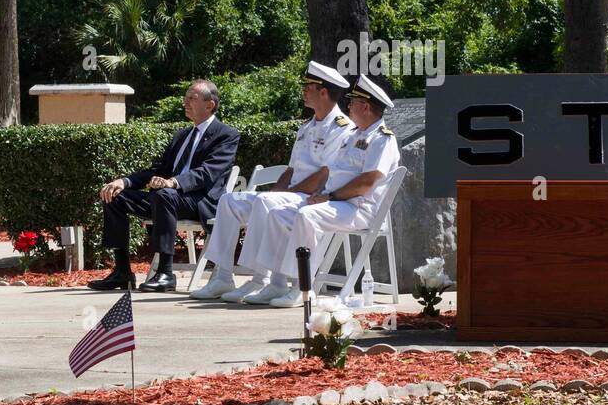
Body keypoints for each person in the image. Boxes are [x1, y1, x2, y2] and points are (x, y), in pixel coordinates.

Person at [190, 61, 351, 302]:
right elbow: (291, 169)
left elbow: (324, 174)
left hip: (312, 196)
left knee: (266, 202)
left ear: (324, 92)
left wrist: (278, 195)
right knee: (229, 202)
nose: (304, 90)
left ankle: (261, 279)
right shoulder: (306, 127)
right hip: (290, 194)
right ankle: (222, 277)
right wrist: (275, 192)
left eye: (308, 86)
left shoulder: (341, 128)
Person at [255, 73, 400, 308]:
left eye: (352, 102)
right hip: (335, 202)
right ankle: (276, 282)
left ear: (365, 106)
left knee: (305, 216)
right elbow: (334, 171)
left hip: (358, 208)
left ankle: (302, 286)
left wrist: (328, 196)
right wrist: (320, 194)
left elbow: (367, 182)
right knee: (278, 214)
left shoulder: (382, 139)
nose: (348, 106)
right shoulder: (353, 135)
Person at [88, 81, 239, 292]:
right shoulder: (182, 136)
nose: (185, 102)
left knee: (164, 194)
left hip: (200, 200)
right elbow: (157, 170)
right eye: (185, 97)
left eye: (192, 98)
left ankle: (166, 273)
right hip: (167, 198)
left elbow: (208, 172)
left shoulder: (226, 135)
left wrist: (173, 182)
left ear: (210, 104)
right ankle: (122, 272)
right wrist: (124, 182)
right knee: (115, 196)